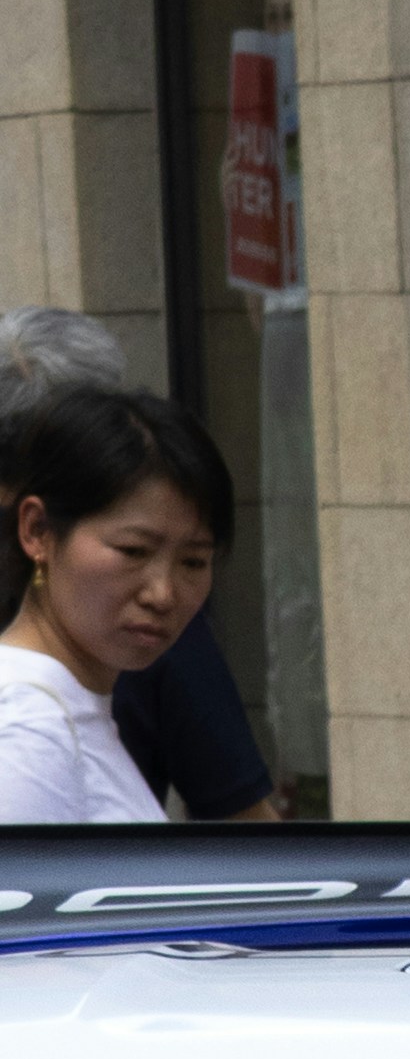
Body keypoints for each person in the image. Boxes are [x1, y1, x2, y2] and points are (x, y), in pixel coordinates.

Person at [0, 309, 276, 818]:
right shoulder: (26, 731)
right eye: (133, 551)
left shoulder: (69, 707)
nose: (163, 593)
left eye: (195, 561)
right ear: (36, 530)